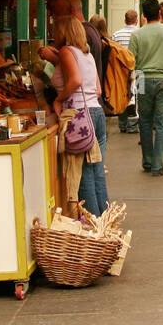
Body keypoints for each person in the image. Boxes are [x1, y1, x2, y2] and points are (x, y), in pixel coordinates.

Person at [45, 17, 109, 215]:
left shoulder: (67, 52)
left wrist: (58, 100)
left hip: (80, 114)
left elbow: (75, 80)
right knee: (97, 168)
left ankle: (91, 221)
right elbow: (97, 89)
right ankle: (104, 218)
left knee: (83, 172)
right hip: (96, 112)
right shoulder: (87, 54)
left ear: (63, 32)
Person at [128, 0, 163, 176]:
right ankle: (158, 164)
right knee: (162, 123)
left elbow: (131, 61)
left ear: (143, 15)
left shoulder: (137, 35)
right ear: (159, 13)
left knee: (144, 120)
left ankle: (148, 160)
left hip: (142, 77)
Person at [112, 9, 141, 134]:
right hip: (138, 70)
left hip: (121, 71)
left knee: (122, 95)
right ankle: (133, 125)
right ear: (136, 20)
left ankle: (122, 124)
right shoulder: (140, 33)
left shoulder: (116, 35)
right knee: (137, 96)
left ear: (125, 20)